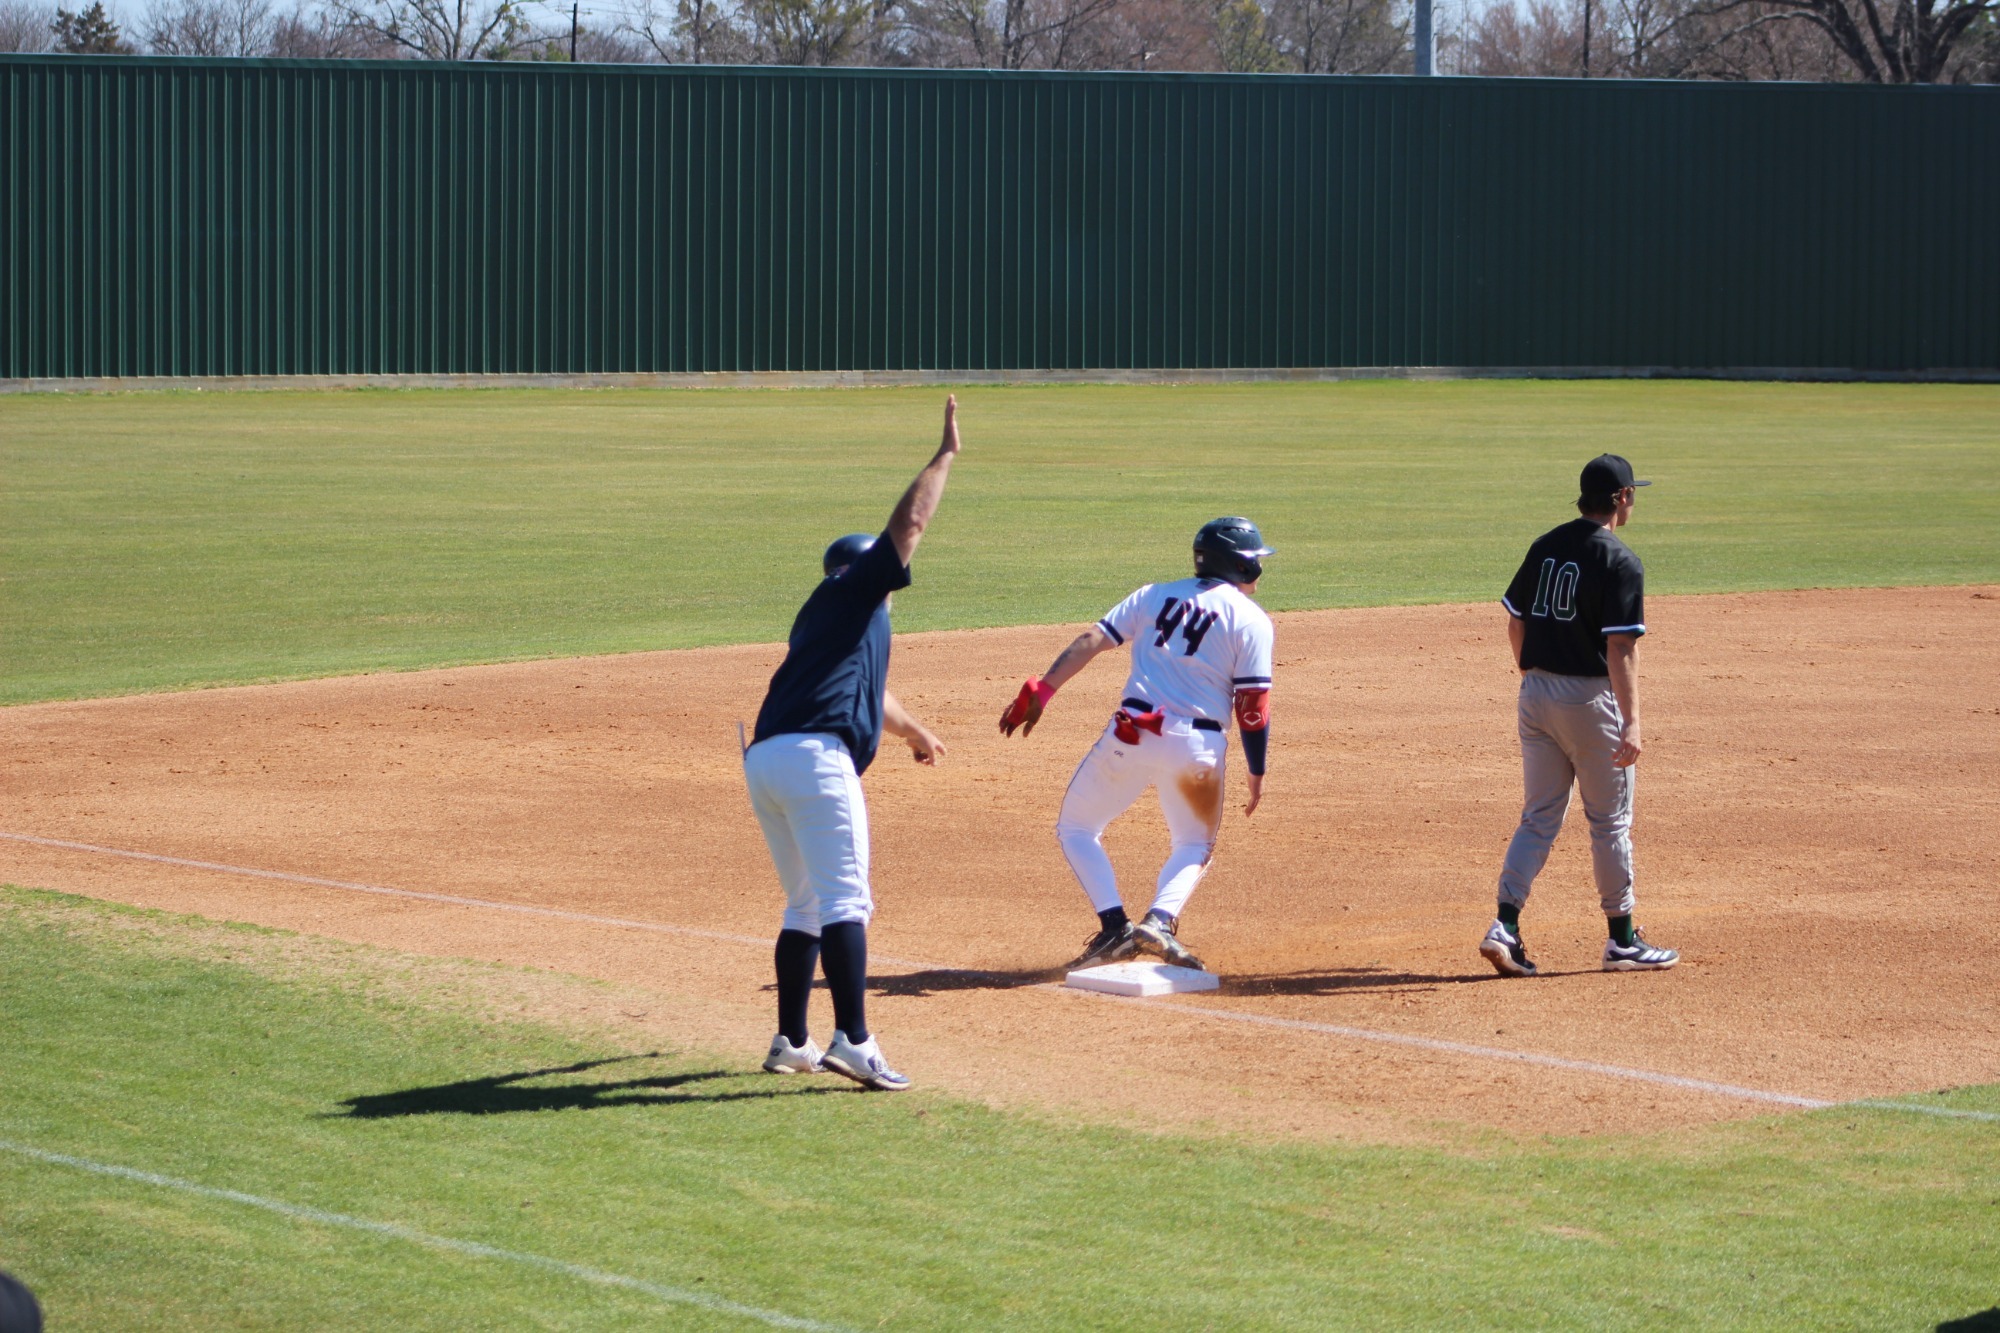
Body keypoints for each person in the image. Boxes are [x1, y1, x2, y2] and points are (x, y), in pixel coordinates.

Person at [745, 396, 959, 1091]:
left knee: (804, 903)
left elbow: (871, 693)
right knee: (846, 900)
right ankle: (855, 1040)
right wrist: (945, 455)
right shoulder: (857, 593)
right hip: (813, 761)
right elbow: (913, 523)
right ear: (864, 571)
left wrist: (912, 730)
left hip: (769, 758)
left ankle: (791, 1039)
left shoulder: (829, 616)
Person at [999, 518, 1276, 972]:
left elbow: (1092, 640)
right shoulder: (1250, 620)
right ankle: (1159, 921)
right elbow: (1252, 706)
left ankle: (1114, 928)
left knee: (1076, 828)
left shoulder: (1152, 594)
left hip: (1129, 734)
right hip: (1196, 747)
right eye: (1256, 560)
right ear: (1240, 564)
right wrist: (1256, 769)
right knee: (1193, 844)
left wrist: (1044, 691)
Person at [1481, 453, 1679, 978]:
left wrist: (1533, 678)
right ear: (1619, 499)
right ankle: (1622, 939)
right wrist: (1631, 720)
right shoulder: (1620, 561)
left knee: (1539, 816)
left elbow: (1514, 624)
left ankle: (1505, 924)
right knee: (1610, 822)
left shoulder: (1545, 546)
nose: (1634, 499)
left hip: (1536, 694)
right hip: (1590, 703)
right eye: (1632, 492)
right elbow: (1621, 651)